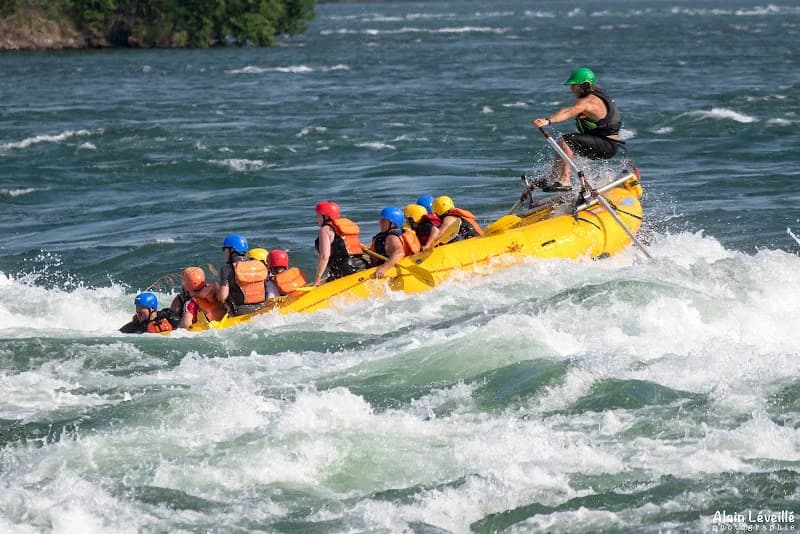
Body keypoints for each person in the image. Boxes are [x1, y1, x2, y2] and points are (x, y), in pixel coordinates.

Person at [532, 67, 623, 191]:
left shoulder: (589, 101)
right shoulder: (591, 97)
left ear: (585, 85)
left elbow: (569, 112)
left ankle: (565, 181)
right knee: (562, 142)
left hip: (607, 145)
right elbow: (565, 110)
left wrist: (548, 121)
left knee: (567, 141)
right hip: (603, 143)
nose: (571, 89)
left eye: (574, 86)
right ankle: (552, 177)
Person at [313, 201, 368, 286]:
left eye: (318, 215)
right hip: (362, 265)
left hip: (345, 271)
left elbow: (324, 257)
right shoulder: (341, 228)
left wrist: (317, 280)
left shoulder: (325, 229)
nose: (316, 218)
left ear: (326, 216)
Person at [216, 233, 269, 316]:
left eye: (225, 249)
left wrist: (216, 293)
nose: (224, 253)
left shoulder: (227, 268)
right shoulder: (258, 265)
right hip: (263, 307)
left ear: (232, 250)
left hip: (241, 312)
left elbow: (223, 296)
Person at [370, 206, 409, 279]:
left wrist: (384, 268)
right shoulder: (389, 235)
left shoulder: (392, 237)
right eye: (381, 219)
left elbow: (399, 253)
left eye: (384, 220)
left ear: (393, 224)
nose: (380, 222)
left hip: (386, 268)